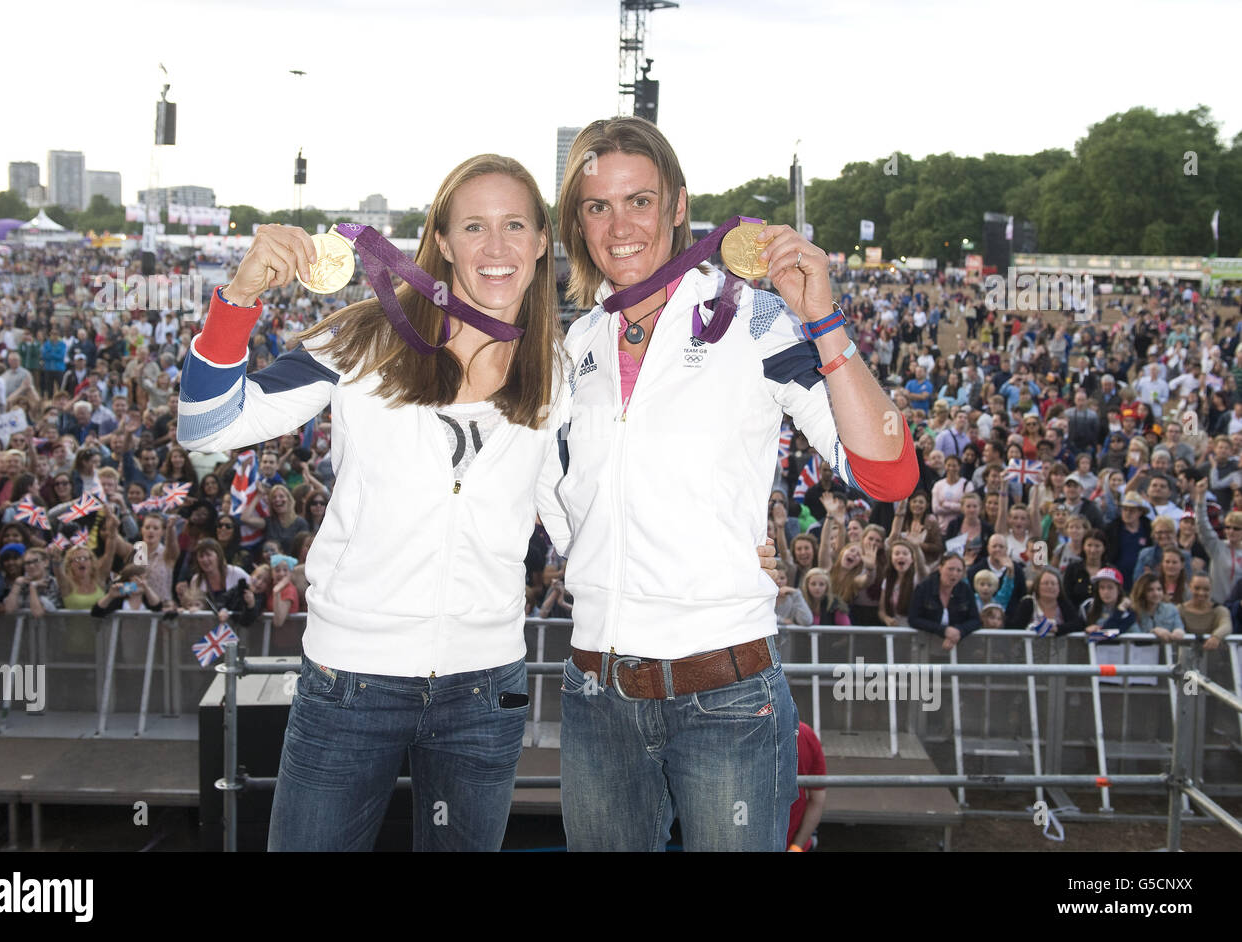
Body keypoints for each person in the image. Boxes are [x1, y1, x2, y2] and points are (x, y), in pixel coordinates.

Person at [177, 155, 571, 853]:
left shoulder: (556, 371)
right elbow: (208, 426)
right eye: (473, 225)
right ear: (441, 242)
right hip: (350, 680)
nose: (496, 246)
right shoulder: (363, 338)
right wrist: (239, 295)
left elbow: (577, 521)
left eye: (515, 224)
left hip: (491, 690)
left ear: (543, 240)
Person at [551, 116, 916, 852]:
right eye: (598, 206)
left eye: (640, 201)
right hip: (595, 695)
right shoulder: (579, 341)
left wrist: (823, 318)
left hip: (725, 695)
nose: (619, 225)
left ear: (680, 205)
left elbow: (886, 471)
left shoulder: (752, 319)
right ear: (577, 224)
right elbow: (565, 500)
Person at [909, 552, 979, 650]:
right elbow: (913, 619)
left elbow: (975, 620)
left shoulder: (966, 590)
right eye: (950, 569)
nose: (954, 573)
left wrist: (959, 631)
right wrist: (943, 630)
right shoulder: (924, 588)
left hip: (959, 648)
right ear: (940, 568)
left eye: (959, 570)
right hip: (926, 647)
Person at [786, 722, 827, 852]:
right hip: (794, 843)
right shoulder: (805, 733)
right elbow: (817, 800)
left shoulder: (743, 735)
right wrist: (797, 847)